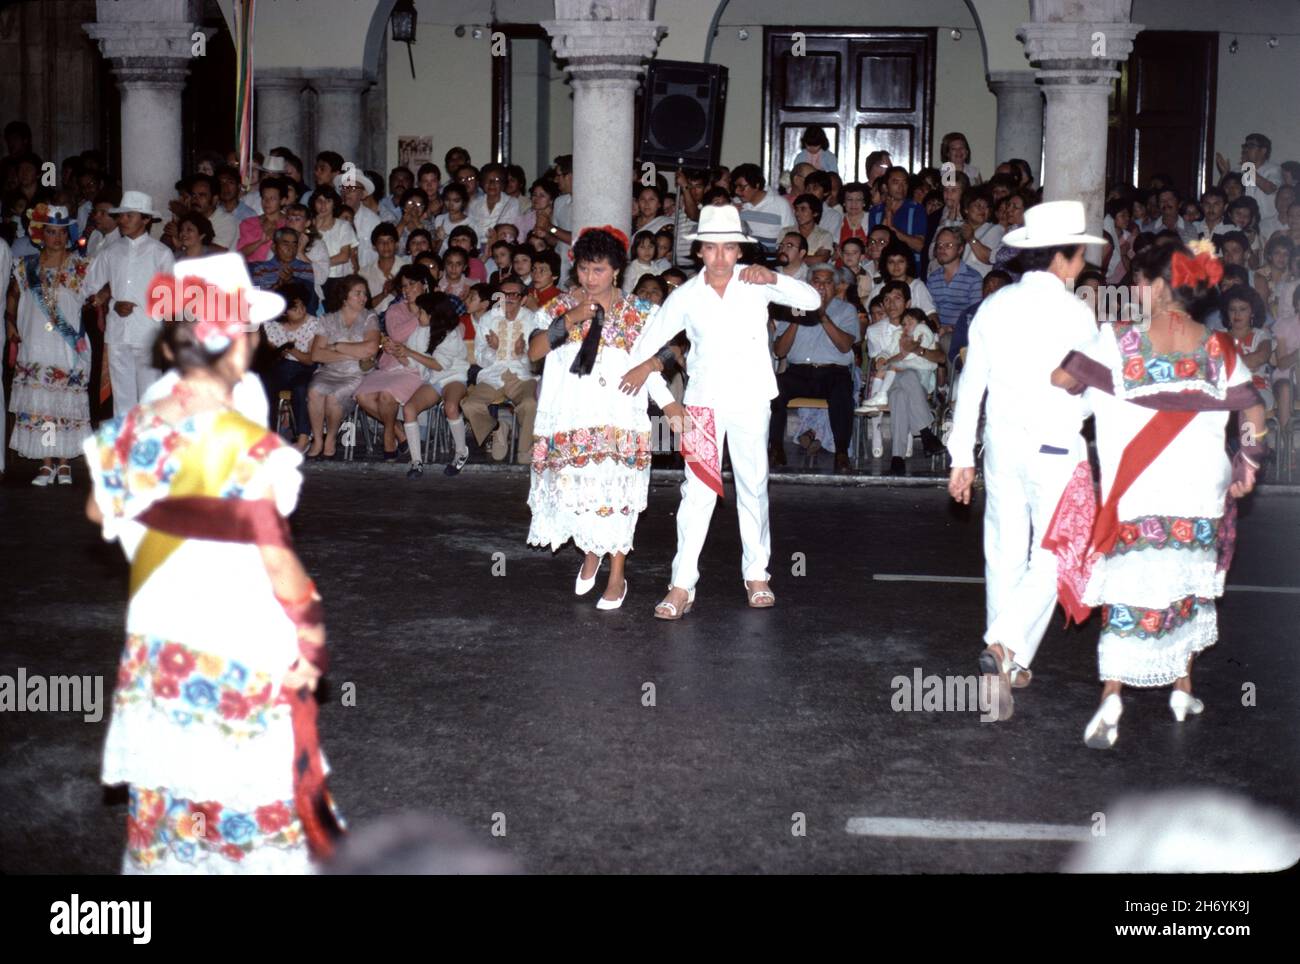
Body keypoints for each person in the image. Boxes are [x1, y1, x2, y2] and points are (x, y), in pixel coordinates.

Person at [83, 253, 339, 873]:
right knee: (238, 763)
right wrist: (309, 628)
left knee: (175, 756)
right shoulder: (249, 448)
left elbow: (98, 510)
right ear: (233, 342)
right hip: (235, 624)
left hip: (161, 623)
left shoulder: (132, 431)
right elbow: (273, 552)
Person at [1050, 242, 1265, 749]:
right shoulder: (1221, 349)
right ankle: (1181, 689)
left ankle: (1111, 694)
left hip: (1138, 490)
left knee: (1128, 589)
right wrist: (1248, 463)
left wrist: (1086, 347)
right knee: (1187, 588)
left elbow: (1061, 378)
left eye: (1140, 282)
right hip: (1198, 492)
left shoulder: (1117, 342)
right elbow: (1254, 414)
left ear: (1162, 286)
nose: (1133, 292)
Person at [947, 201, 1103, 720]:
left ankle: (1007, 663)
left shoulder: (995, 306)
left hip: (1002, 446)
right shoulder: (1076, 312)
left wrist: (960, 456)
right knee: (1058, 553)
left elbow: (971, 386)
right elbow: (1089, 388)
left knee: (1004, 551)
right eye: (1080, 252)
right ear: (1067, 256)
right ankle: (1005, 641)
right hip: (1056, 444)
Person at [623, 205, 820, 617]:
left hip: (750, 400)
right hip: (702, 406)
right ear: (699, 252)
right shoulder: (684, 296)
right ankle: (681, 585)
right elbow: (641, 350)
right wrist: (670, 403)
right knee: (697, 495)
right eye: (711, 248)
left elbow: (812, 299)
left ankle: (757, 575)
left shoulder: (755, 283)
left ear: (739, 250)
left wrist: (774, 277)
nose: (720, 257)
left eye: (728, 248)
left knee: (753, 487)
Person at [527, 227, 678, 608]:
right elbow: (533, 352)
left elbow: (673, 350)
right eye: (583, 270)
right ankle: (590, 552)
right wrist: (571, 318)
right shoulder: (560, 305)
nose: (589, 279)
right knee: (579, 493)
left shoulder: (639, 311)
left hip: (619, 418)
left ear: (616, 271)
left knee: (617, 497)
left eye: (598, 271)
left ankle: (617, 574)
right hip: (571, 418)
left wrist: (649, 371)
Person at [5, 205, 92, 485]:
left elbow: (102, 289)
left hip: (66, 344)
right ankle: (46, 463)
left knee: (63, 401)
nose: (55, 237)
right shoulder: (25, 265)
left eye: (60, 233)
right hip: (36, 342)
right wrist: (9, 323)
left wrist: (100, 299)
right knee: (42, 403)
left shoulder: (81, 265)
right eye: (50, 232)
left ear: (68, 234)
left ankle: (64, 462)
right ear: (41, 234)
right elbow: (13, 296)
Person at [84, 191, 175, 415]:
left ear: (145, 219)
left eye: (129, 216)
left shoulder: (160, 253)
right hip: (117, 331)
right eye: (122, 216)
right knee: (122, 396)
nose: (123, 221)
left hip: (148, 331)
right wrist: (111, 302)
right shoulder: (111, 252)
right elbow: (90, 285)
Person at [769, 265, 859, 472]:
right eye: (817, 281)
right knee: (774, 388)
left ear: (835, 287)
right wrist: (796, 321)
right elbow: (780, 351)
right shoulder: (793, 308)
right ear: (809, 285)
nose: (821, 286)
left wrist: (823, 317)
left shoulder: (846, 310)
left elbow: (845, 346)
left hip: (833, 372)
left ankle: (842, 452)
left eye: (827, 282)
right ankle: (776, 448)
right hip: (799, 372)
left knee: (843, 391)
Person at [353, 265, 434, 462]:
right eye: (403, 286)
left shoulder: (435, 308)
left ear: (424, 284)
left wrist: (422, 311)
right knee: (362, 396)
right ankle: (397, 430)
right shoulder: (395, 309)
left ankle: (388, 438)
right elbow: (396, 335)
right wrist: (417, 315)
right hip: (390, 365)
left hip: (416, 368)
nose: (407, 290)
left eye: (412, 284)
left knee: (386, 395)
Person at [461, 275, 539, 465]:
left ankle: (523, 450)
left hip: (521, 375)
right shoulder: (488, 318)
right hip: (493, 374)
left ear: (523, 298)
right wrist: (494, 349)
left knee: (529, 404)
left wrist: (522, 353)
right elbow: (479, 355)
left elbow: (538, 360)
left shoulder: (533, 320)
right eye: (504, 294)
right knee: (469, 405)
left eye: (514, 294)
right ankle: (498, 428)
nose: (508, 298)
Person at [305, 275, 380, 459]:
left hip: (356, 373)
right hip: (328, 371)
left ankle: (330, 437)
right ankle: (317, 439)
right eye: (358, 293)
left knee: (333, 396)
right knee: (315, 390)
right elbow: (317, 354)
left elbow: (370, 349)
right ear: (345, 297)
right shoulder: (327, 319)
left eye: (365, 293)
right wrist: (352, 353)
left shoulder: (369, 318)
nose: (363, 297)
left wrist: (336, 346)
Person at [259, 282, 319, 452]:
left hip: (303, 369)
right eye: (295, 308)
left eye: (302, 305)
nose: (301, 310)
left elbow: (309, 360)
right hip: (279, 369)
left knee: (301, 388)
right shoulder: (272, 326)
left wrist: (289, 349)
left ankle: (303, 438)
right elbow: (270, 356)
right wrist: (279, 352)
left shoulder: (313, 324)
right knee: (264, 383)